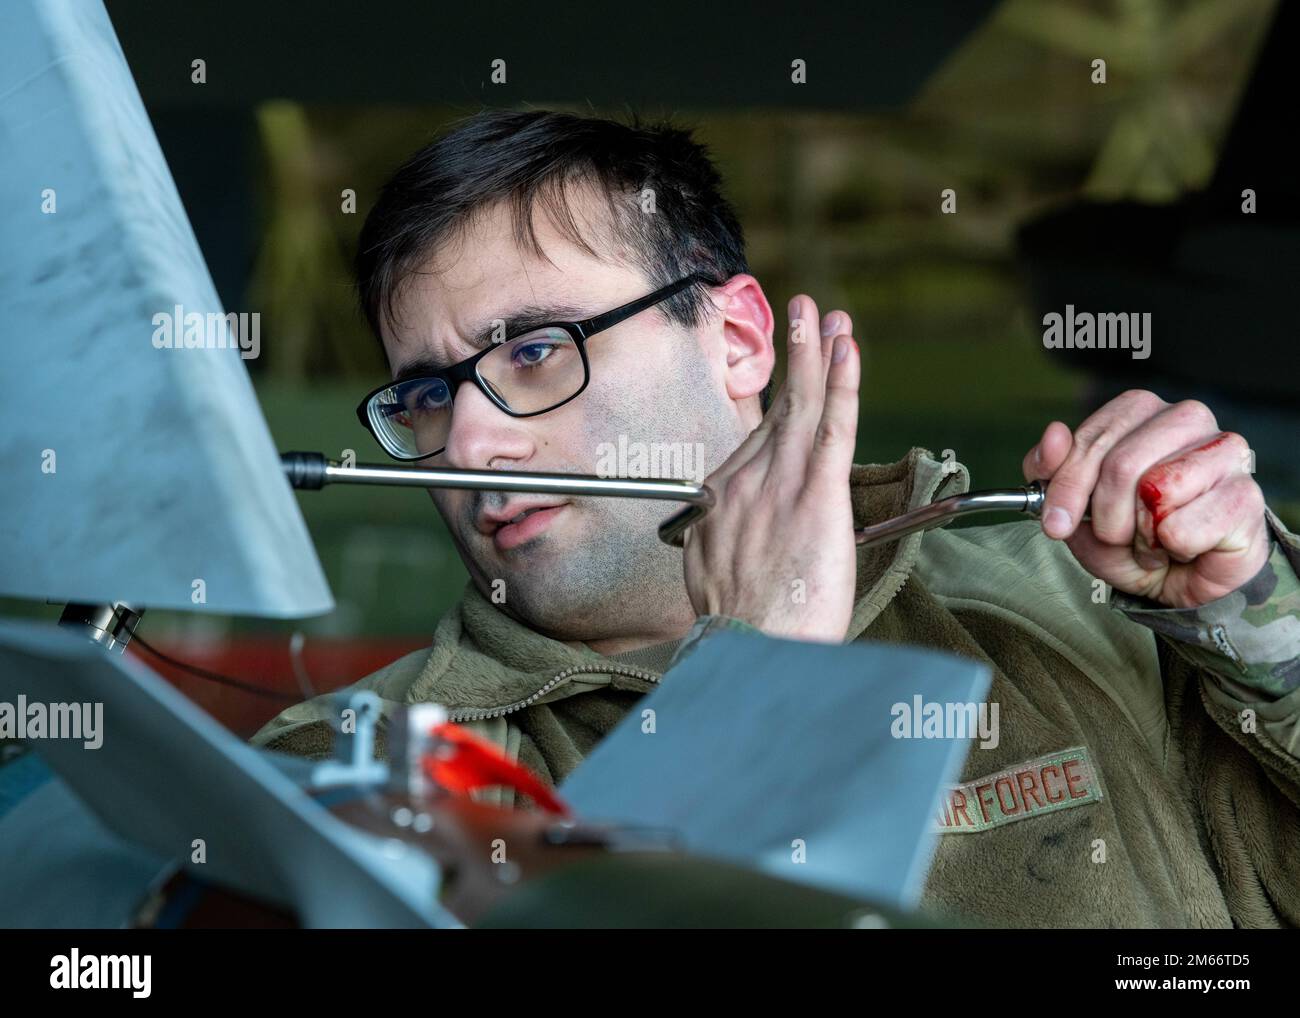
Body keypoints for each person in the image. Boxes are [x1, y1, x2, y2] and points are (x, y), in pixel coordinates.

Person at [253, 109, 1300, 927]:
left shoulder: (1080, 598)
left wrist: (1255, 623)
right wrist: (758, 683)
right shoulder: (359, 769)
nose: (472, 445)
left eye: (532, 351)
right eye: (429, 393)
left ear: (740, 338)